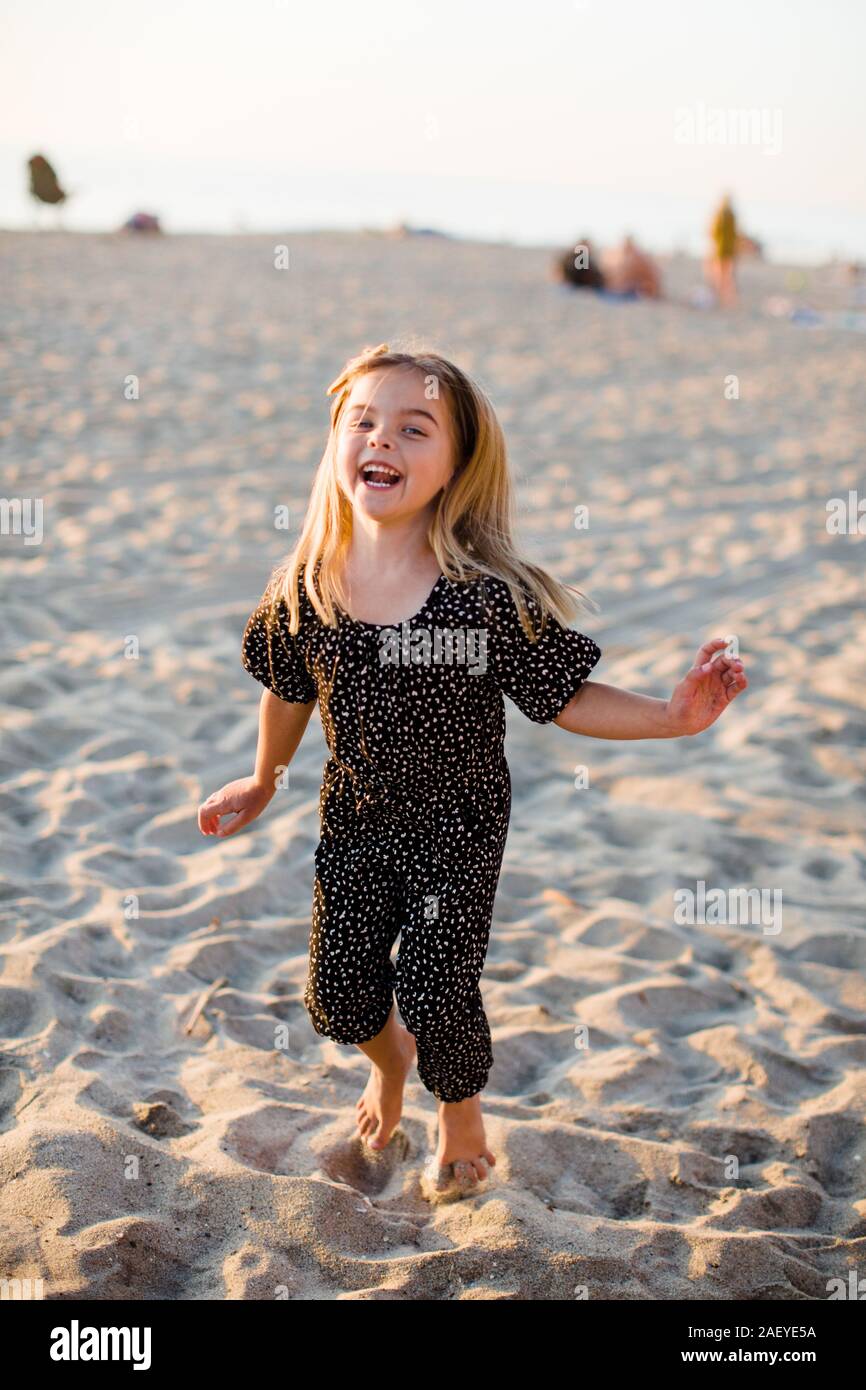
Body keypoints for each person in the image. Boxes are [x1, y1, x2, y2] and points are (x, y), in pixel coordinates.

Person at [197, 342, 748, 1202]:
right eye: (364, 422)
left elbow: (563, 696)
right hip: (355, 816)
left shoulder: (483, 596)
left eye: (415, 429)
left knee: (436, 985)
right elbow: (289, 689)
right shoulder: (304, 585)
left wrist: (672, 718)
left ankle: (460, 1109)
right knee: (338, 995)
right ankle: (389, 1068)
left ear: (455, 465)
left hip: (458, 824)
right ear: (337, 441)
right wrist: (263, 778)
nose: (384, 440)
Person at [708, 193, 739, 307]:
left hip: (721, 249)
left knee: (720, 275)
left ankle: (721, 296)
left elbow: (713, 232)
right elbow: (734, 234)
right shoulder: (730, 215)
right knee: (727, 275)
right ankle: (727, 298)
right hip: (728, 249)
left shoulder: (720, 215)